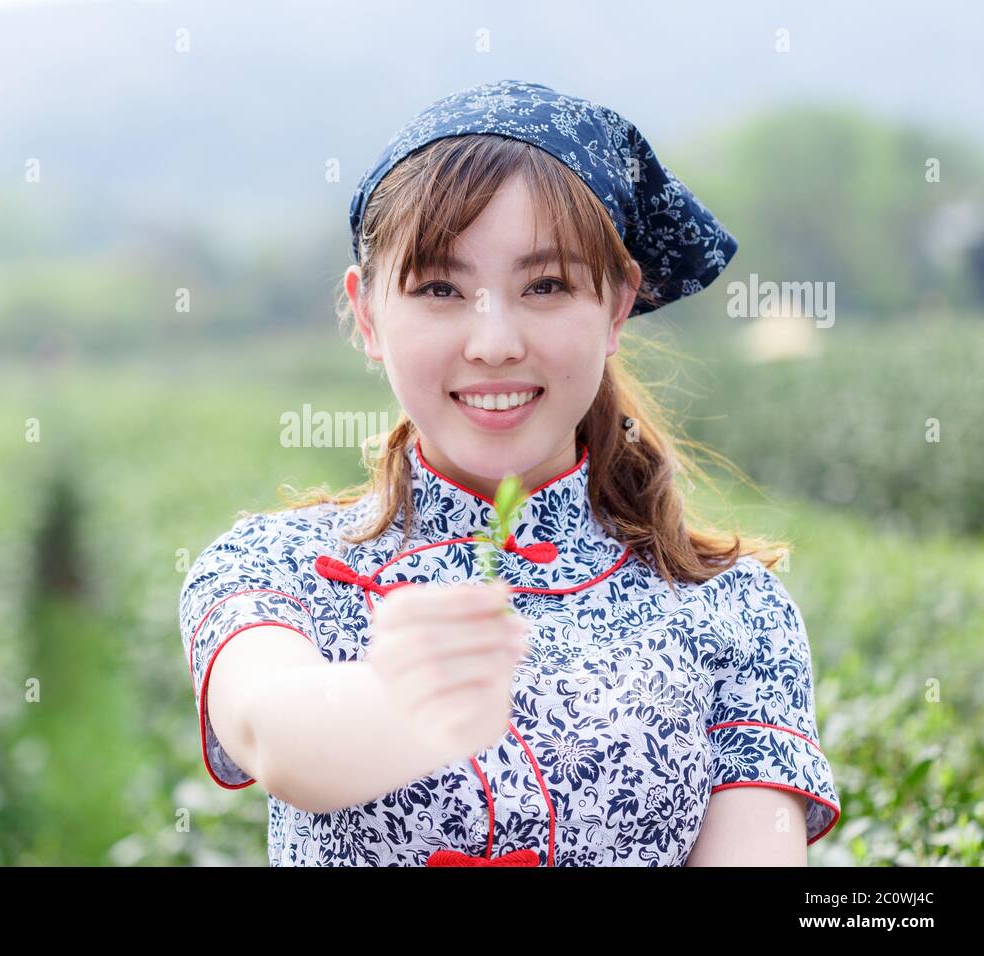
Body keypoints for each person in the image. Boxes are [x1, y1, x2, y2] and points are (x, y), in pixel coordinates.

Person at [179, 79, 841, 866]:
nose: (493, 341)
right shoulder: (275, 565)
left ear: (617, 305)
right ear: (367, 315)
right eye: (439, 288)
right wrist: (397, 697)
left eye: (547, 285)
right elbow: (275, 734)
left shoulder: (734, 608)